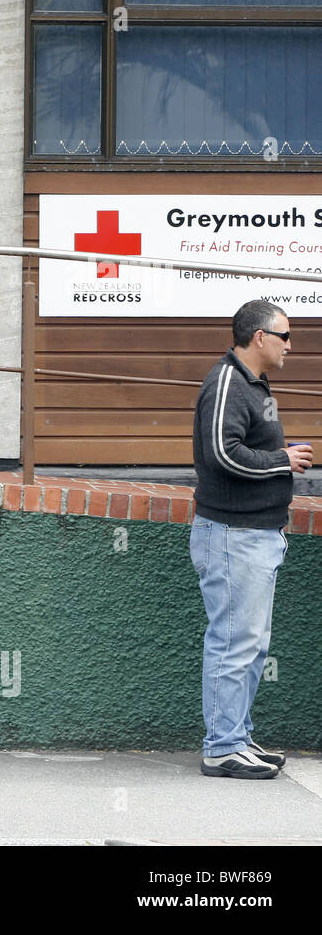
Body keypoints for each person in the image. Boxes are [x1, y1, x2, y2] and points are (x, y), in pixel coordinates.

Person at [191, 300, 311, 779]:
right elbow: (222, 453)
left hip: (255, 534)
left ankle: (235, 737)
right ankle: (221, 747)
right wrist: (283, 459)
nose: (290, 345)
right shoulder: (227, 382)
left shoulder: (253, 384)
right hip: (232, 536)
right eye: (284, 335)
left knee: (250, 644)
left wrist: (279, 455)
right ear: (259, 337)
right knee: (233, 643)